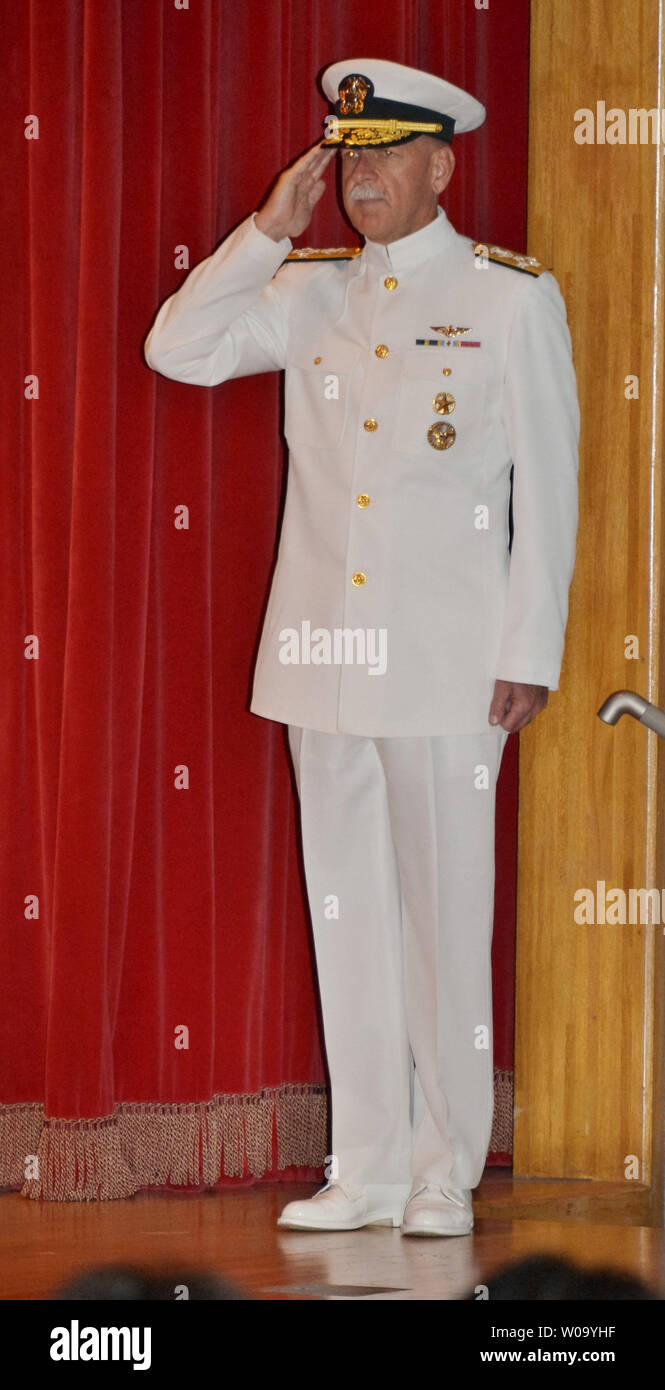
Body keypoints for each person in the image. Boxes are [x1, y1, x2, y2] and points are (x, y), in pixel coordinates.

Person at [144, 58, 579, 1237]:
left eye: (387, 153)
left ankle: (446, 1165)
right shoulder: (310, 288)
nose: (360, 175)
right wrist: (261, 229)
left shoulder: (506, 299)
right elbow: (176, 349)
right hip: (322, 661)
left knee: (442, 922)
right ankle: (369, 1165)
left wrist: (528, 646)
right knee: (348, 918)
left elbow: (548, 484)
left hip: (444, 663)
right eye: (348, 155)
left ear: (441, 165)